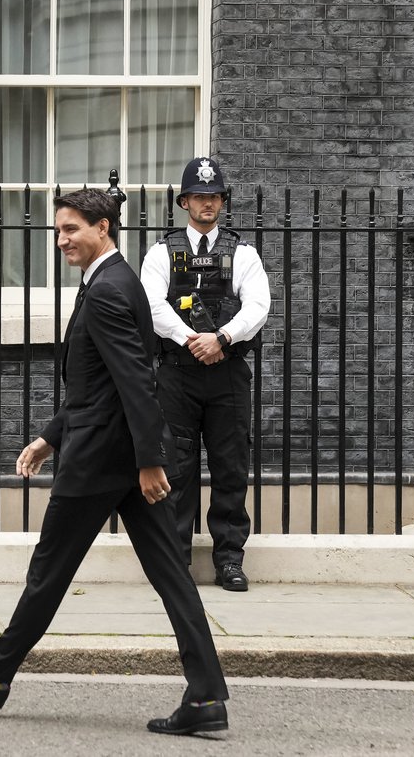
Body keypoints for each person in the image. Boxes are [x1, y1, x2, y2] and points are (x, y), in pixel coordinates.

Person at [0, 188, 230, 736]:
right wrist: (50, 438)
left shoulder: (109, 290)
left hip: (101, 461)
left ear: (102, 227)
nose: (61, 240)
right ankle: (207, 694)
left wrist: (149, 461)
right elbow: (95, 384)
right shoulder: (112, 281)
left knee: (49, 571)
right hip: (118, 455)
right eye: (58, 230)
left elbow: (136, 379)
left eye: (71, 229)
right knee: (171, 575)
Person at [140, 157, 270, 592]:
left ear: (222, 201)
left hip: (227, 374)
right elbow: (150, 305)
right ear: (185, 202)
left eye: (214, 196)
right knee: (175, 469)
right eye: (199, 196)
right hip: (177, 374)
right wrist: (192, 339)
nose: (207, 203)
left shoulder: (243, 253)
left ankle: (229, 560)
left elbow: (258, 306)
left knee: (231, 467)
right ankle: (175, 561)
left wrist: (223, 338)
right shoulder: (161, 252)